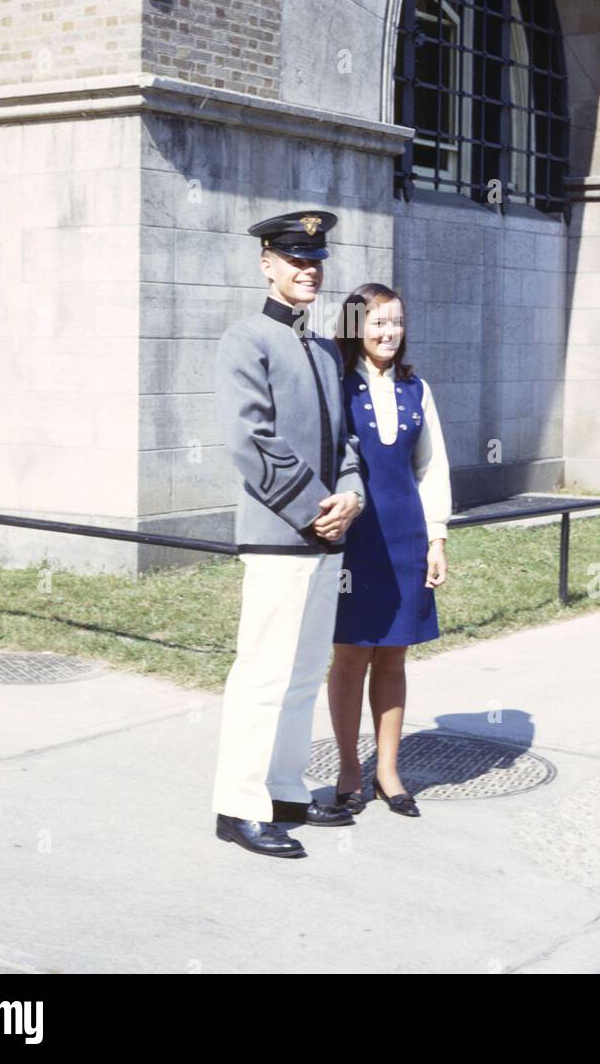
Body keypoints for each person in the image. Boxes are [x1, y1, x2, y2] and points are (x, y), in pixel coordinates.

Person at [211, 209, 365, 859]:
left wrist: (351, 494)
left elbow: (345, 438)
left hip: (328, 536)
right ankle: (238, 804)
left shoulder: (327, 349)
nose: (309, 269)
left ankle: (281, 788)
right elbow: (249, 440)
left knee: (303, 673)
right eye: (296, 259)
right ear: (267, 264)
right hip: (281, 534)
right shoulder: (245, 340)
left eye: (317, 260)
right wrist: (313, 506)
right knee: (264, 673)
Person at [328, 283, 452, 817]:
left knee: (395, 655)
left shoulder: (416, 388)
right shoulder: (334, 383)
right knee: (352, 655)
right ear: (356, 326)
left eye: (397, 322)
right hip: (353, 541)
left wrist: (438, 537)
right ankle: (349, 770)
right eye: (378, 322)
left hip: (405, 537)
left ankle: (387, 770)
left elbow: (431, 467)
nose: (389, 332)